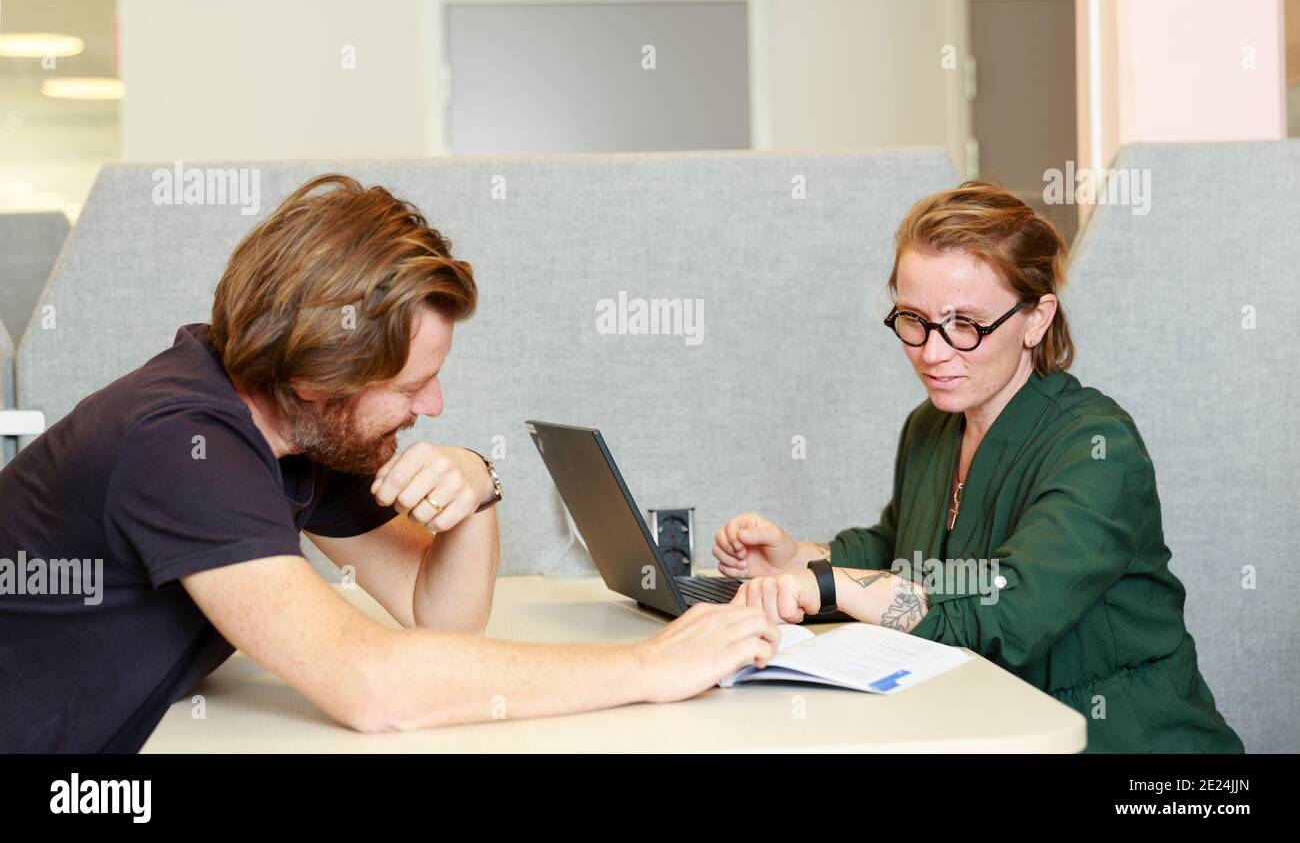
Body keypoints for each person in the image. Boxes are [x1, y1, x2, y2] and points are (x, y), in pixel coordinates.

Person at [0, 174, 777, 752]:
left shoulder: (291, 425)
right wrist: (650, 669)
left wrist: (478, 487)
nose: (432, 405)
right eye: (409, 385)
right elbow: (373, 687)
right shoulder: (182, 443)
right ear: (316, 377)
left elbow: (437, 615)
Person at [716, 181, 1243, 753]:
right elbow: (905, 549)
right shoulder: (933, 425)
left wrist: (829, 586)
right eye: (913, 319)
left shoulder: (1098, 447)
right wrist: (802, 558)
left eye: (965, 323)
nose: (932, 353)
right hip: (982, 728)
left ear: (1037, 319)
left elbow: (1004, 613)